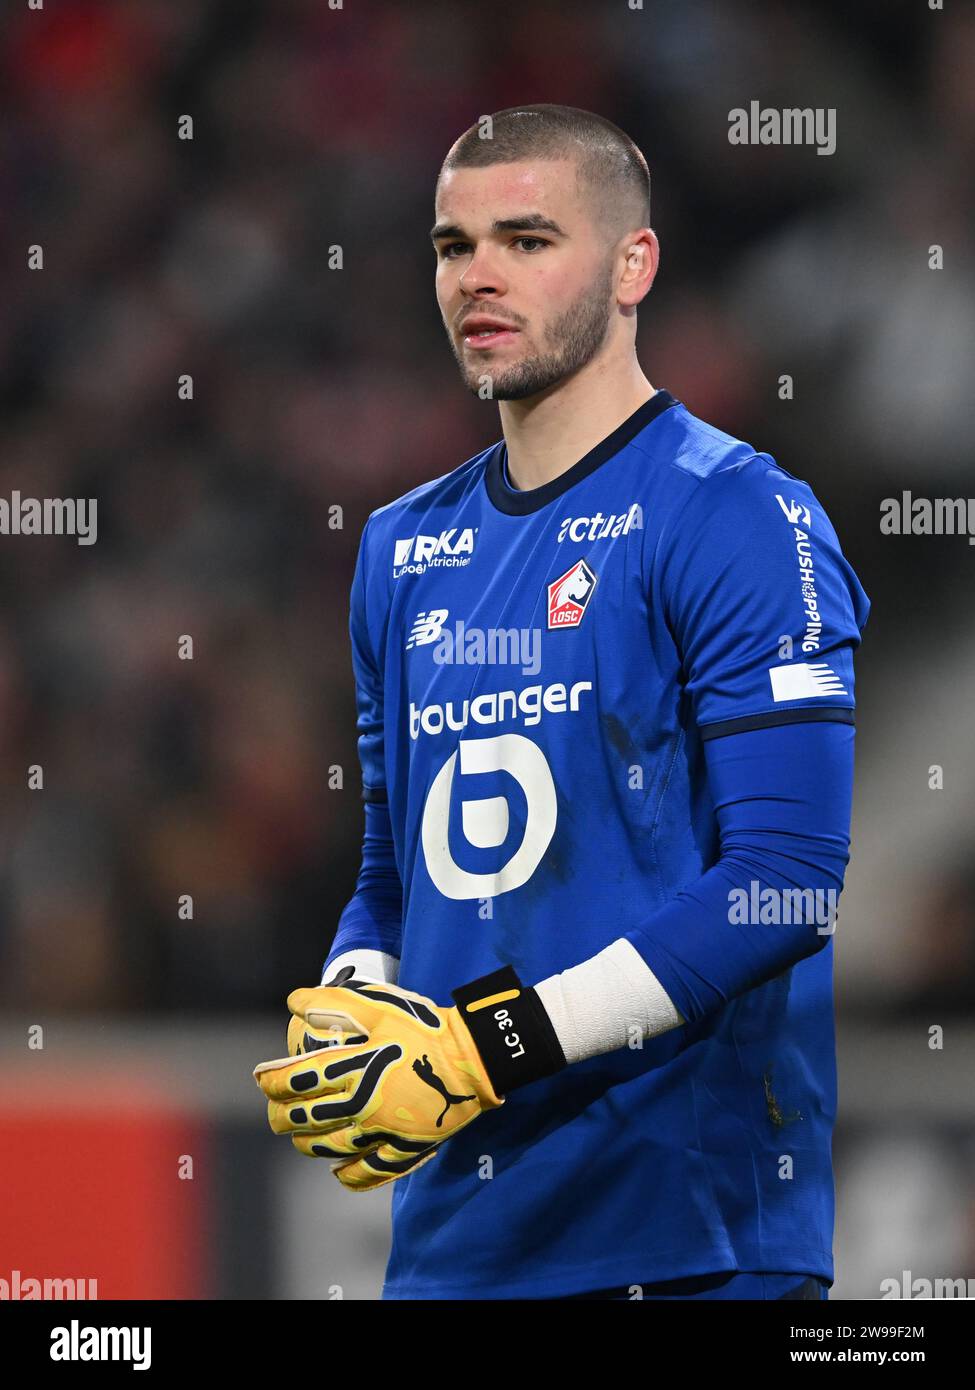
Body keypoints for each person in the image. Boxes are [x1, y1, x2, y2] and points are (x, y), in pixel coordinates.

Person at [254, 104, 870, 1302]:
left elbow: (788, 876)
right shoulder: (400, 548)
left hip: (689, 1243)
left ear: (633, 265)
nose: (478, 277)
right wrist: (362, 1006)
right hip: (453, 1253)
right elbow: (391, 877)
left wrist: (486, 1049)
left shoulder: (736, 513)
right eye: (452, 245)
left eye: (529, 240)